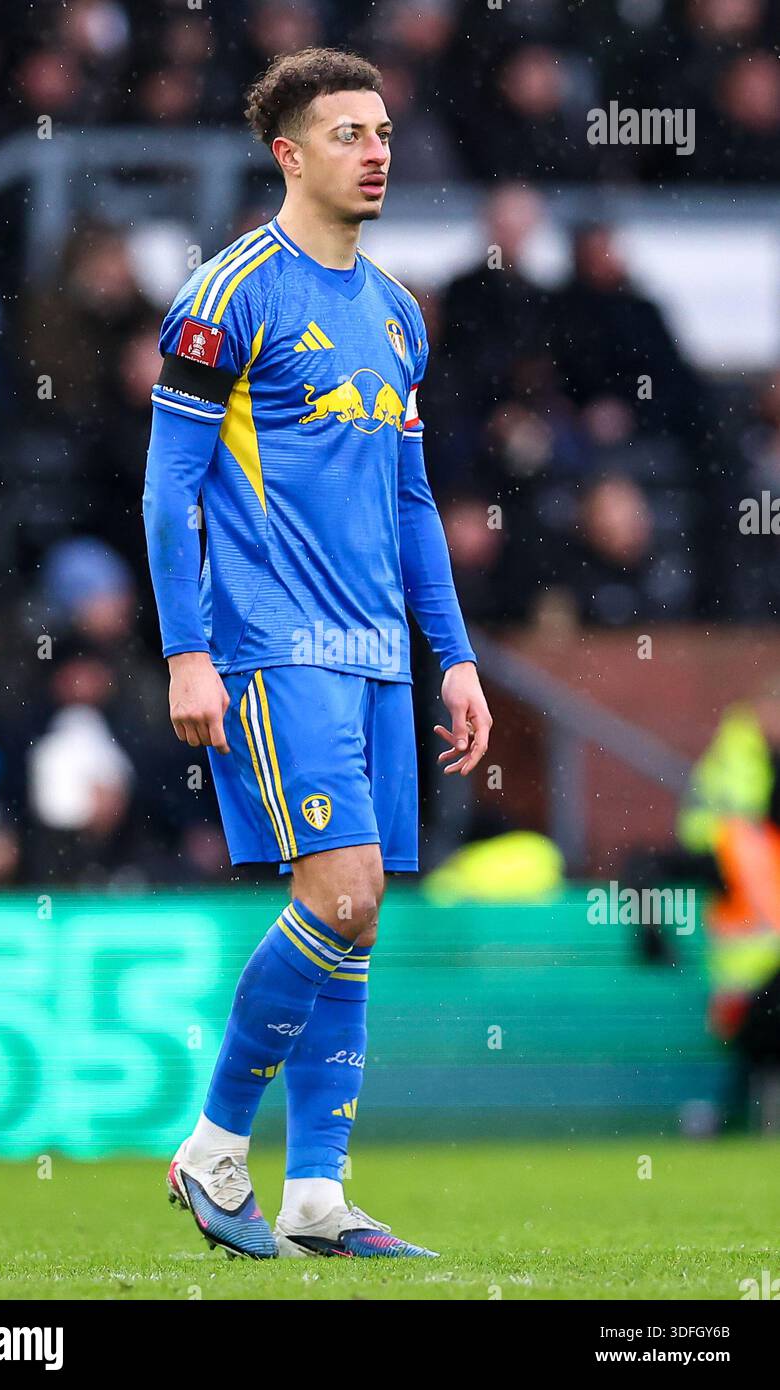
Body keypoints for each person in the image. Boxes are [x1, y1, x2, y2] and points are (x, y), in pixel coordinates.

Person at [142, 46, 492, 1259]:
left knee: (356, 920)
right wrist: (188, 653)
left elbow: (409, 501)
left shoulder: (398, 313)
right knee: (336, 895)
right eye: (348, 133)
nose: (378, 149)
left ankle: (318, 1196)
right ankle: (212, 1147)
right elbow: (165, 490)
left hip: (377, 655)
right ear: (287, 154)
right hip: (269, 644)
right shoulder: (227, 293)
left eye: (385, 129)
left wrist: (450, 653)